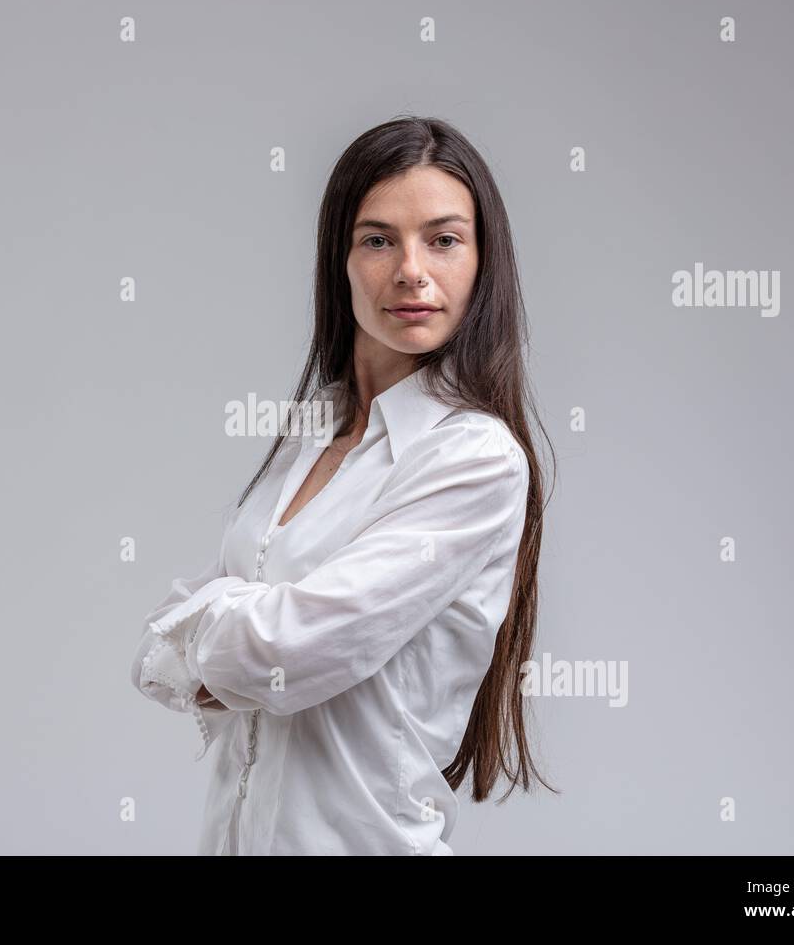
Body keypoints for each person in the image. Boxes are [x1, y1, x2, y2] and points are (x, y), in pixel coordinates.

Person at [131, 115, 556, 855]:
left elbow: (284, 654)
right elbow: (151, 657)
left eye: (445, 239)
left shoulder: (475, 458)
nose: (411, 270)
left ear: (483, 263)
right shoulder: (314, 429)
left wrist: (218, 624)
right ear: (341, 259)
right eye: (378, 239)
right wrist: (237, 631)